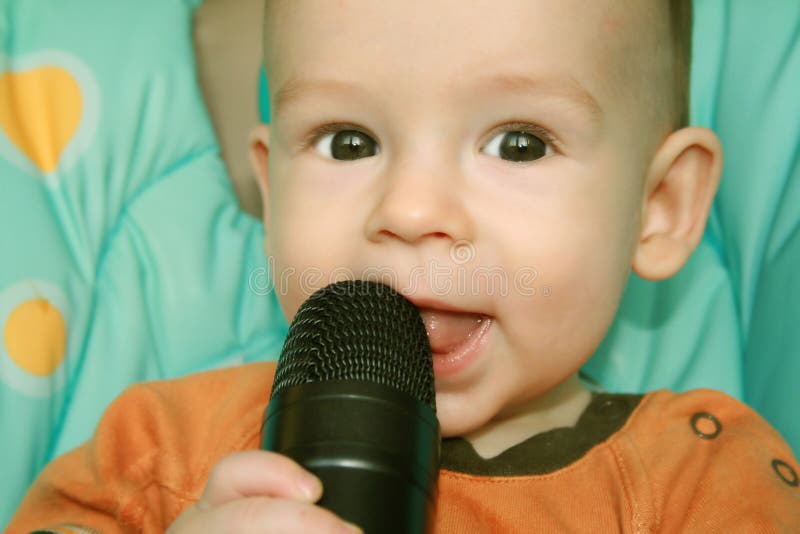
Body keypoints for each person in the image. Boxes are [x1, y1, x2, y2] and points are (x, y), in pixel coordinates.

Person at [9, 1, 800, 532]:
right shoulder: (162, 446)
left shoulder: (704, 475)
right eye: (348, 141)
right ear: (272, 184)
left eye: (518, 143)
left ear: (658, 205)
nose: (413, 211)